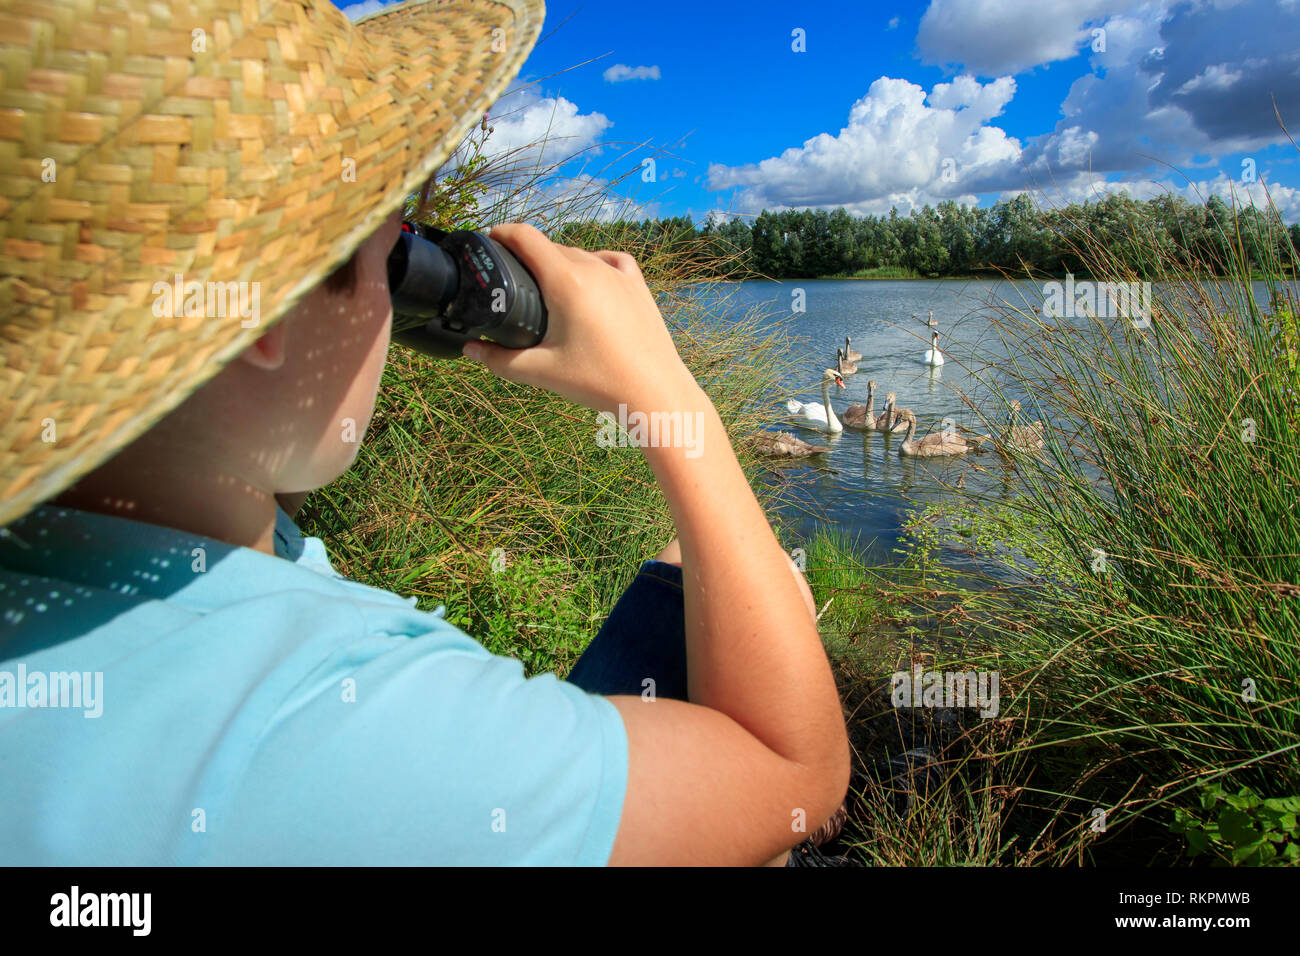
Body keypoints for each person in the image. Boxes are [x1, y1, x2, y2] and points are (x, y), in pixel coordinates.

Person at [0, 0, 849, 866]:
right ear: (260, 314)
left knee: (681, 574)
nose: (399, 303)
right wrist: (667, 393)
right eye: (394, 245)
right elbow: (795, 773)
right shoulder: (360, 720)